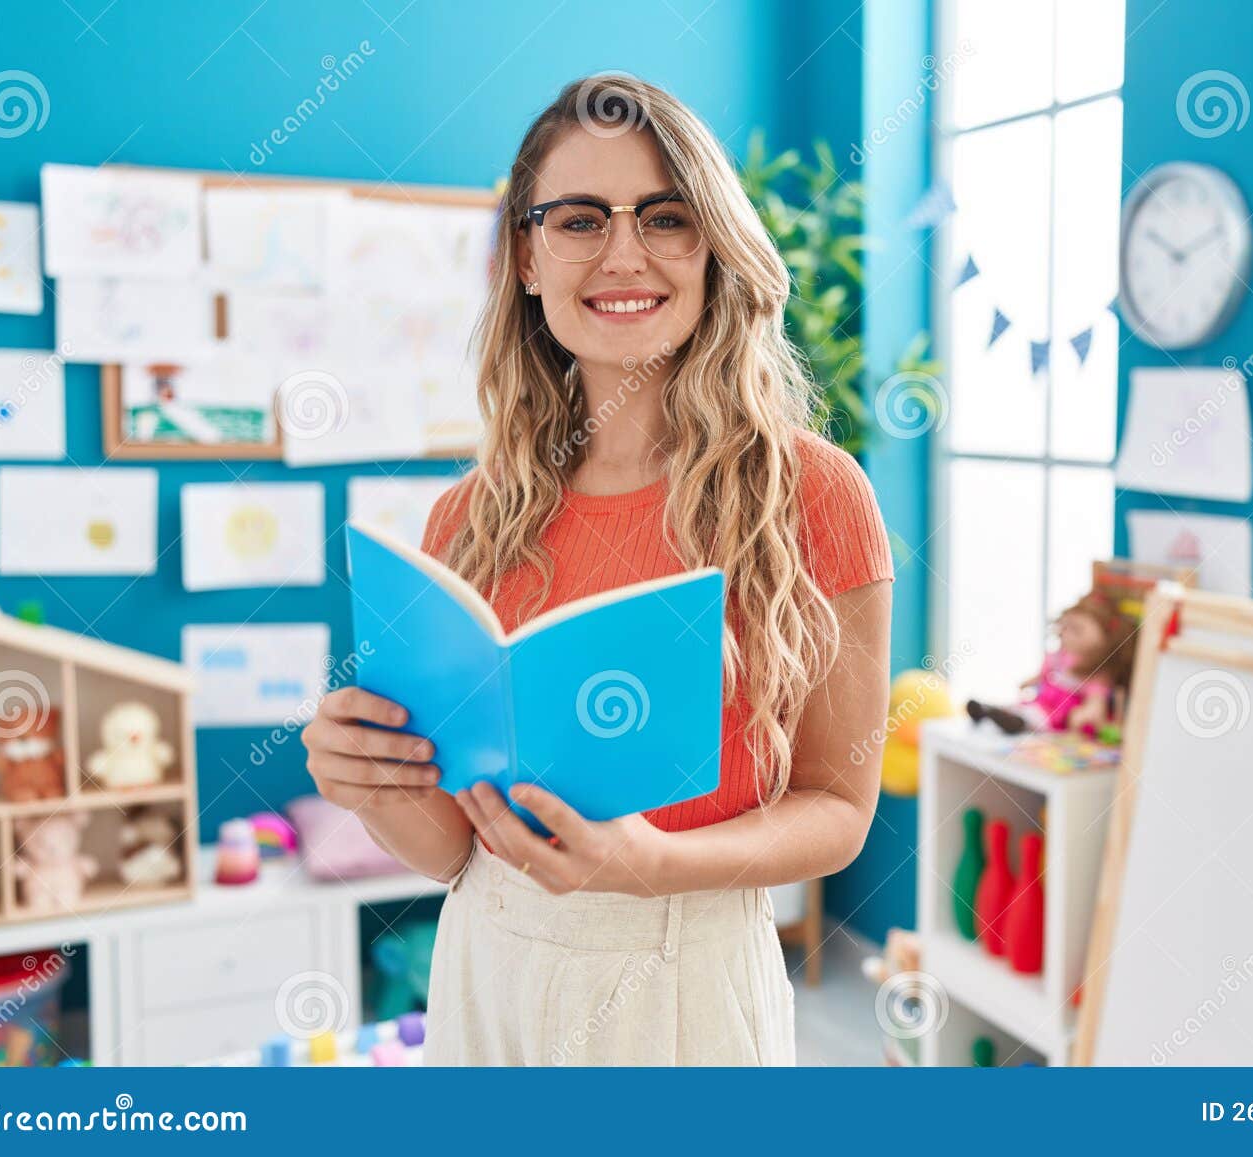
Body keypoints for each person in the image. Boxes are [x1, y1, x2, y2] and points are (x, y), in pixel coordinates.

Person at [301, 74, 895, 1065]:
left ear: (711, 245)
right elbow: (453, 848)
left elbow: (839, 809)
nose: (624, 253)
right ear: (527, 257)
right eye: (578, 218)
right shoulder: (468, 516)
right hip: (486, 958)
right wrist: (368, 780)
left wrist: (651, 864)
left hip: (685, 967)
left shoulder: (813, 492)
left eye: (666, 216)